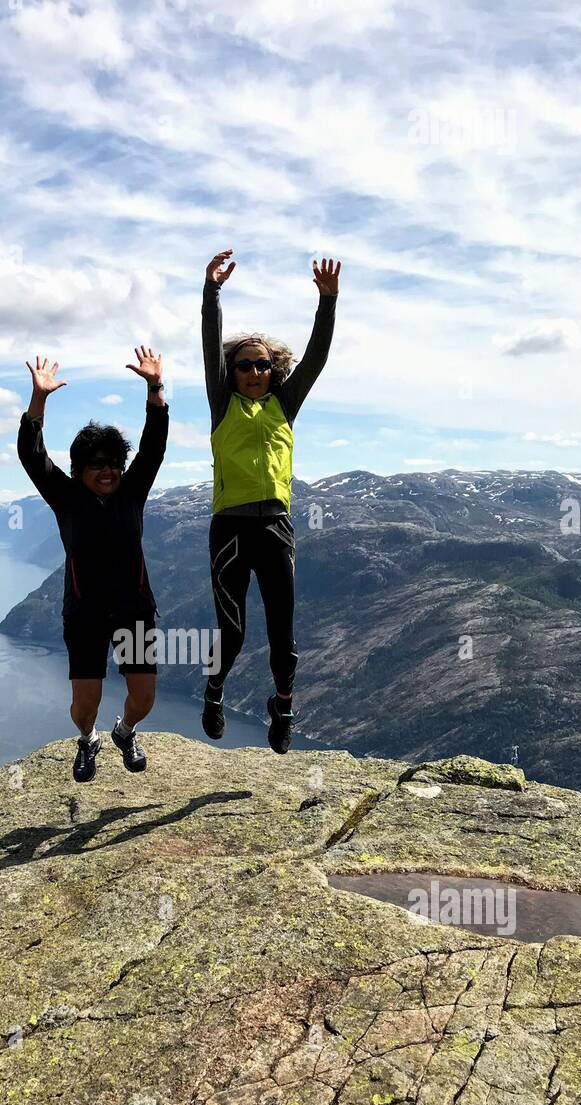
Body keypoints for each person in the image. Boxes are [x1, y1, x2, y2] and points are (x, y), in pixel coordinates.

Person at [200, 249, 340, 753]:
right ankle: (214, 692)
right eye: (244, 365)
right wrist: (211, 292)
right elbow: (209, 346)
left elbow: (317, 358)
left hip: (276, 527)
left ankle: (282, 706)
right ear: (232, 371)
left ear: (272, 368)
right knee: (232, 633)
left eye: (262, 365)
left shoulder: (285, 403)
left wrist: (327, 303)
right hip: (231, 532)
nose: (255, 372)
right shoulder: (223, 406)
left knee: (283, 634)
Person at [17, 346, 168, 782]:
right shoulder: (65, 497)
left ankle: (125, 732)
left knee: (143, 699)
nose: (108, 471)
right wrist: (39, 400)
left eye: (114, 463)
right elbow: (32, 454)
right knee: (84, 708)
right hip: (84, 615)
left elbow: (154, 446)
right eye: (96, 464)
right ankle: (90, 740)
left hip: (134, 610)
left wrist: (155, 388)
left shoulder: (132, 490)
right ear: (79, 468)